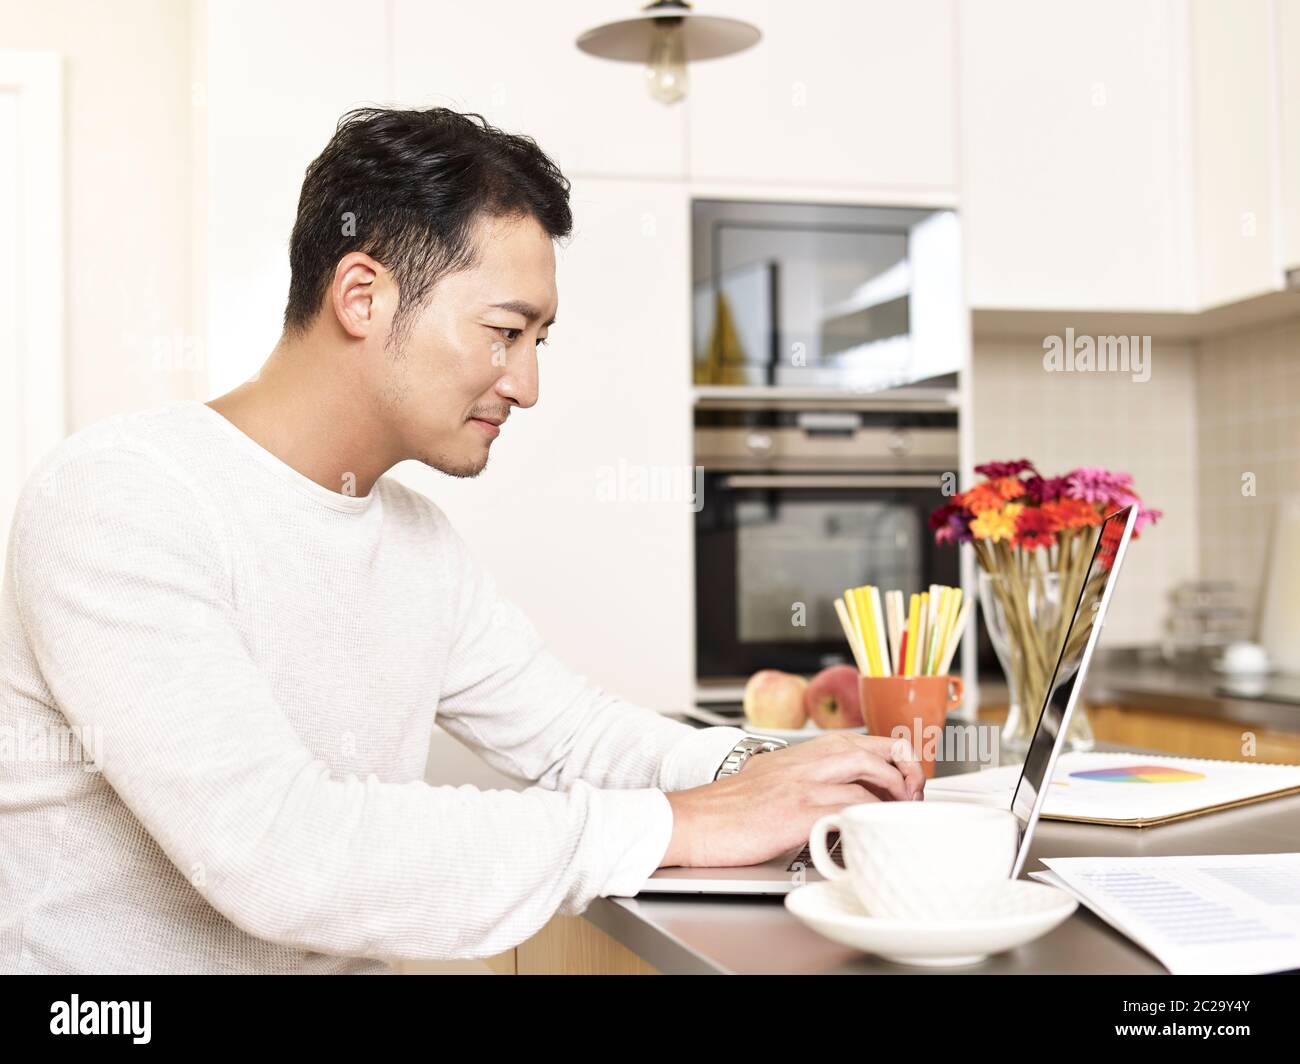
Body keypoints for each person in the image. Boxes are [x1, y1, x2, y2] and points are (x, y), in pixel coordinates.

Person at [0, 106, 924, 975]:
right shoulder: (123, 498)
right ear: (362, 296)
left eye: (539, 341)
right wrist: (679, 824)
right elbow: (277, 852)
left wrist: (770, 773)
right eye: (504, 331)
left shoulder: (415, 541)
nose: (525, 384)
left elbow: (571, 735)